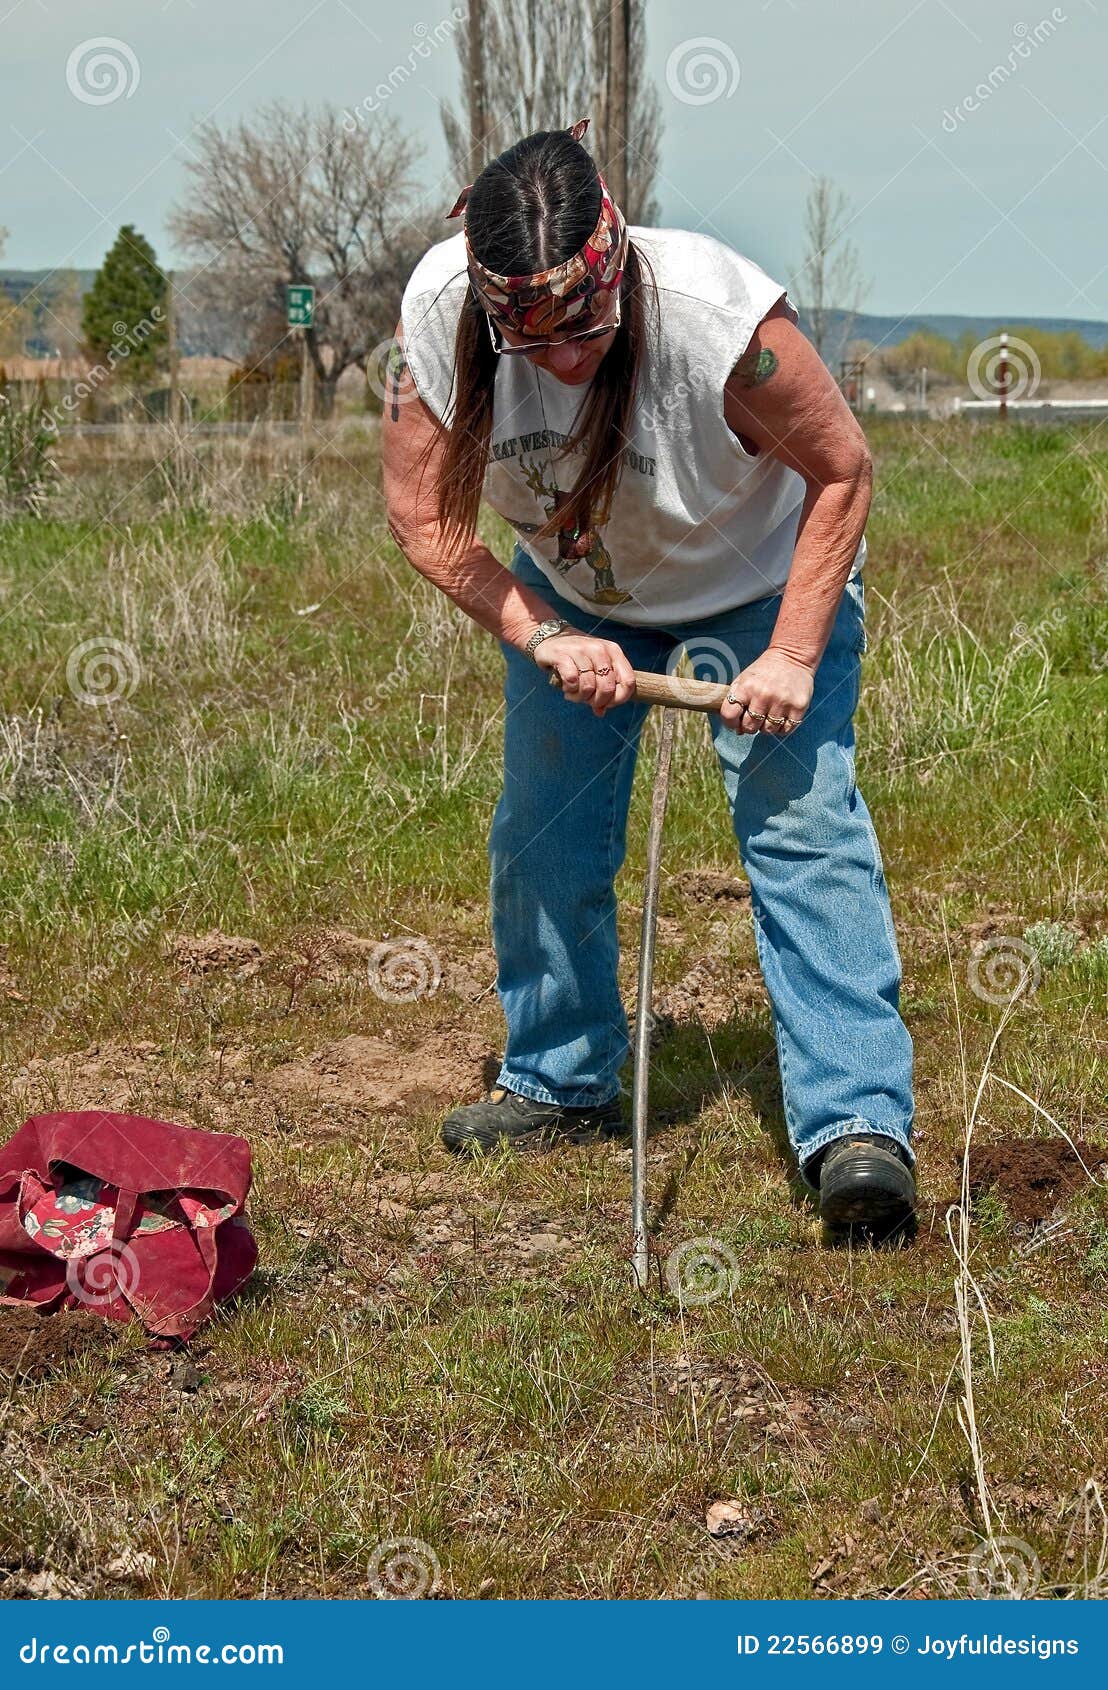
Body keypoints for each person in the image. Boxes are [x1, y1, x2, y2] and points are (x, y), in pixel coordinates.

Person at [382, 119, 916, 1236]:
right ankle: (561, 1079)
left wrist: (793, 652)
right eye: (537, 343)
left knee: (801, 829)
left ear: (615, 258)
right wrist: (540, 637)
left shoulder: (721, 320)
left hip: (758, 583)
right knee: (544, 838)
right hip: (576, 596)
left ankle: (856, 1127)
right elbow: (425, 521)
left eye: (584, 329)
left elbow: (843, 469)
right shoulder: (442, 319)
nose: (566, 359)